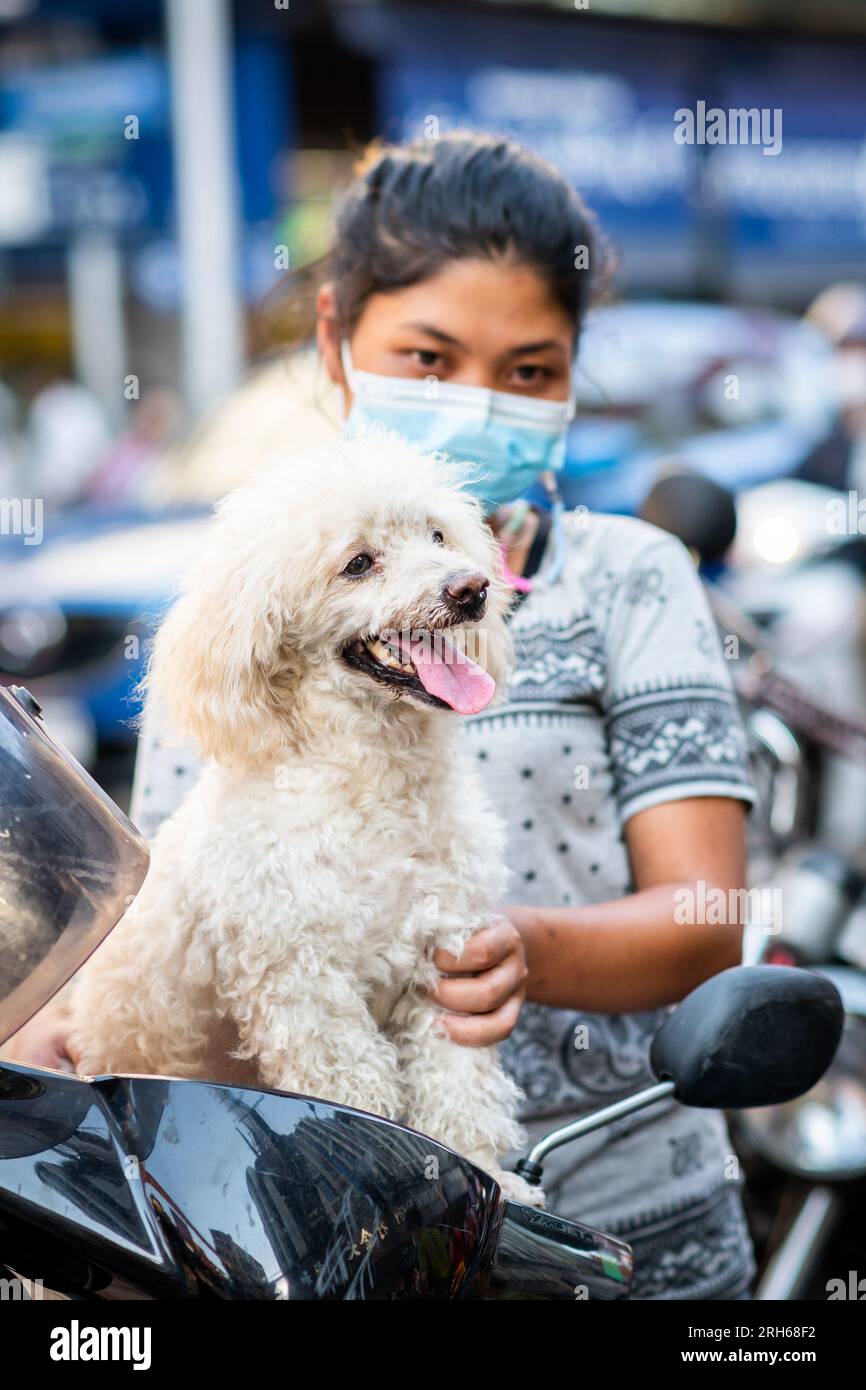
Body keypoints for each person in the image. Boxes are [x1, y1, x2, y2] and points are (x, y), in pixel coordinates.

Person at [9, 131, 757, 1299]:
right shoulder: (251, 587)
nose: (476, 400)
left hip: (625, 1203)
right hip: (310, 1239)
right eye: (429, 355)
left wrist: (512, 949)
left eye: (528, 371)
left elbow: (709, 916)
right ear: (331, 336)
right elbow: (172, 908)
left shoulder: (634, 575)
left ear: (571, 373)